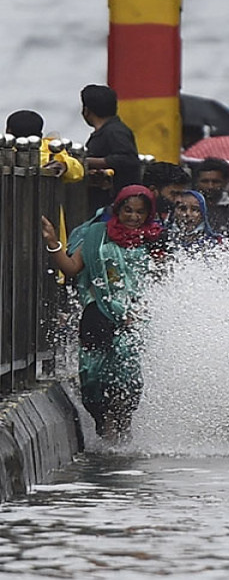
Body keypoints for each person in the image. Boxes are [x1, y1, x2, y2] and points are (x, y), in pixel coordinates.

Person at [40, 185, 166, 439]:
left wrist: (141, 309)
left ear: (148, 214)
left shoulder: (154, 240)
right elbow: (72, 268)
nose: (133, 217)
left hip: (133, 320)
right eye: (128, 210)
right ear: (117, 210)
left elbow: (162, 282)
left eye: (140, 212)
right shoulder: (97, 235)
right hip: (98, 316)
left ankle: (122, 434)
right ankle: (104, 426)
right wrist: (53, 243)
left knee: (126, 378)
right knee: (93, 377)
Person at [80, 84, 140, 215]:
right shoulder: (106, 131)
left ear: (86, 111)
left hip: (115, 205)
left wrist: (88, 161)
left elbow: (128, 159)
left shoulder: (115, 131)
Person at [5, 109, 85, 182]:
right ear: (40, 134)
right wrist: (65, 166)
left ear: (8, 131)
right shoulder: (51, 149)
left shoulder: (5, 151)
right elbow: (78, 172)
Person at [193, 157, 229, 235]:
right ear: (197, 182)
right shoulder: (186, 206)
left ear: (225, 182)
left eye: (215, 182)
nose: (210, 186)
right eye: (205, 181)